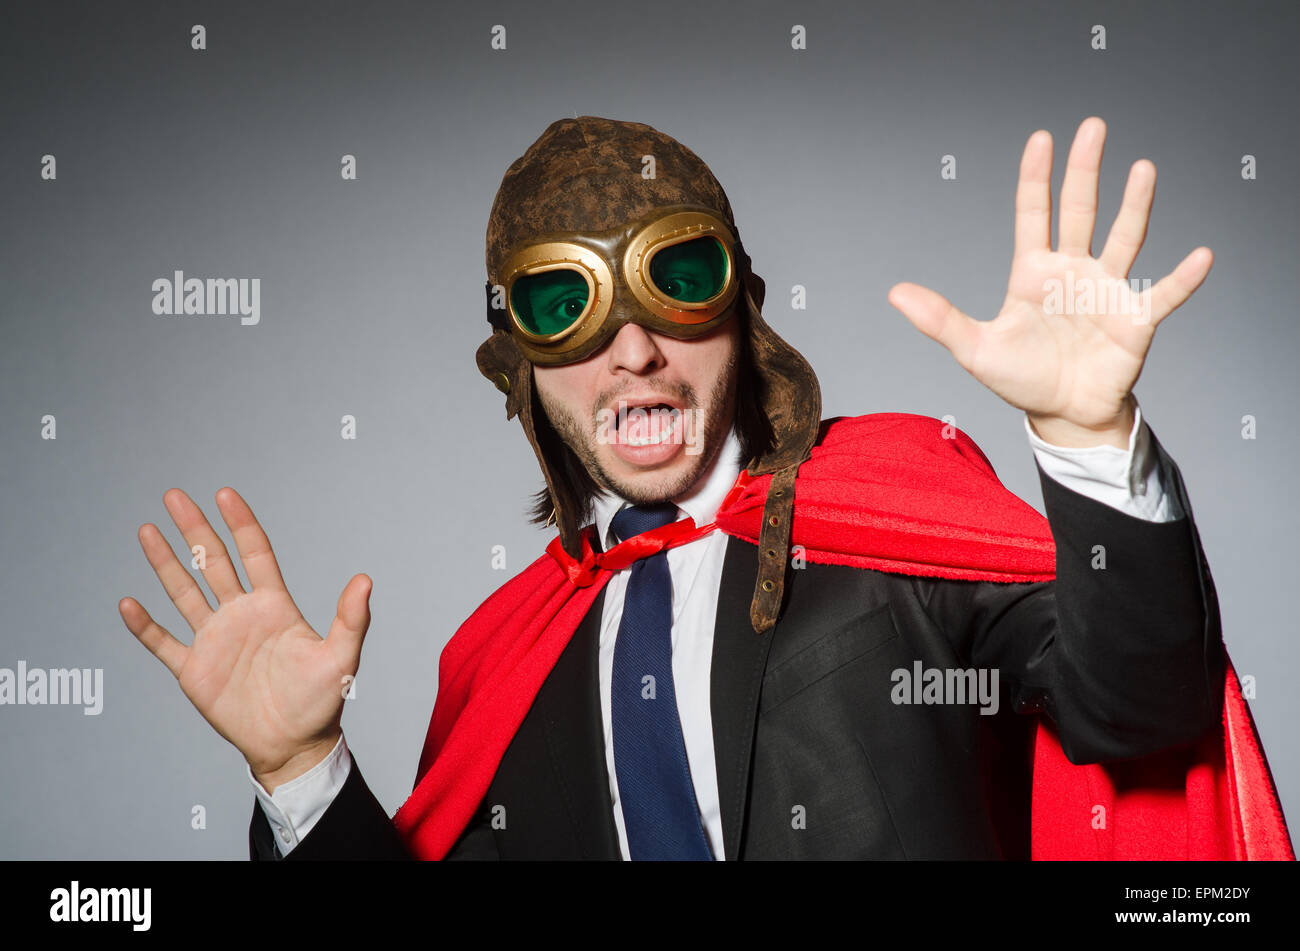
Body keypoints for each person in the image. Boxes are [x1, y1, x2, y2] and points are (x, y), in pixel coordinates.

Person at [120, 115, 1291, 860]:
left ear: (740, 311)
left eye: (676, 281)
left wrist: (1085, 436)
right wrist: (299, 775)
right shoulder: (499, 665)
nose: (631, 351)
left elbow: (1145, 709)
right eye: (564, 308)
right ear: (520, 370)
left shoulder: (895, 526)